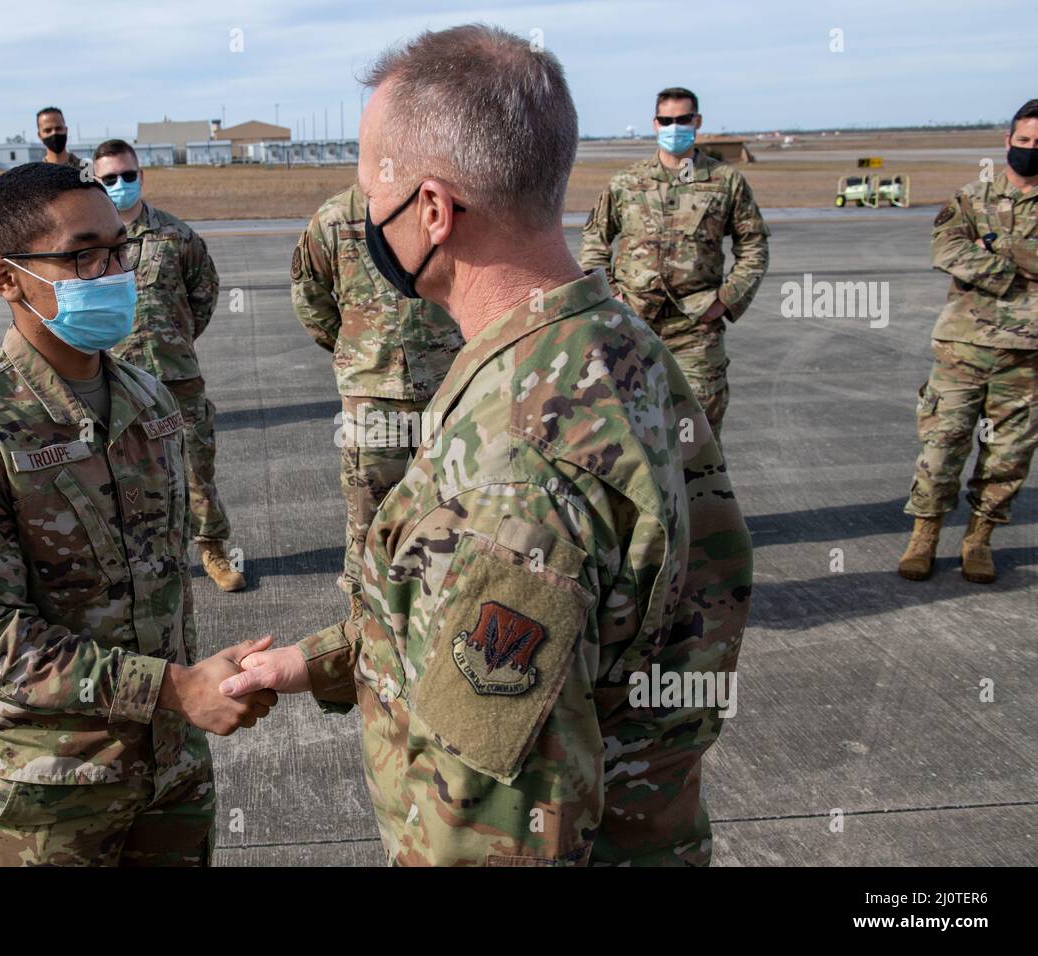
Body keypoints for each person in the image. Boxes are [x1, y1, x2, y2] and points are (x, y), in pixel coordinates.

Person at [223, 25, 753, 866]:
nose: (366, 218)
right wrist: (319, 661)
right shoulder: (614, 344)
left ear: (432, 210)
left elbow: (497, 836)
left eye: (373, 193)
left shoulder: (511, 472)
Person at [0, 162, 276, 866]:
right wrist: (171, 687)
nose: (113, 271)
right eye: (82, 255)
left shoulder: (150, 401)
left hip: (171, 770)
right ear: (5, 278)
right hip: (50, 794)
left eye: (119, 249)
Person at [291, 183, 462, 602]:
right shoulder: (334, 218)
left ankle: (434, 611)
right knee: (367, 516)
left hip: (444, 386)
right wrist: (354, 349)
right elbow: (308, 292)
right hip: (371, 395)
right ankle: (362, 622)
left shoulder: (442, 207)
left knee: (449, 506)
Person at [91, 139, 244, 592]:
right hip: (114, 381)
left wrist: (175, 338)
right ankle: (136, 564)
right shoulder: (90, 245)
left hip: (176, 376)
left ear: (142, 176)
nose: (120, 184)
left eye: (128, 175)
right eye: (109, 179)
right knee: (120, 475)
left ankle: (213, 550)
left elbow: (205, 293)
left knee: (197, 465)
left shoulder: (176, 236)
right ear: (97, 183)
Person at [898, 99, 1038, 584]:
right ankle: (925, 534)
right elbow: (946, 250)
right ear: (1008, 142)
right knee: (942, 443)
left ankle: (979, 538)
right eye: (1024, 141)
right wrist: (1011, 268)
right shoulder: (972, 198)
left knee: (1008, 455)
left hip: (1027, 356)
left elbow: (969, 255)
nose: (1030, 150)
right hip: (962, 347)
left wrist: (995, 247)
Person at [579, 87, 769, 441]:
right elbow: (594, 241)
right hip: (633, 324)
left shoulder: (725, 182)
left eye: (682, 120)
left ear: (697, 122)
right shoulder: (626, 183)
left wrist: (727, 298)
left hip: (696, 327)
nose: (674, 127)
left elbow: (754, 243)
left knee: (699, 435)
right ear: (655, 124)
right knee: (628, 433)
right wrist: (612, 297)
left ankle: (699, 499)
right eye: (667, 120)